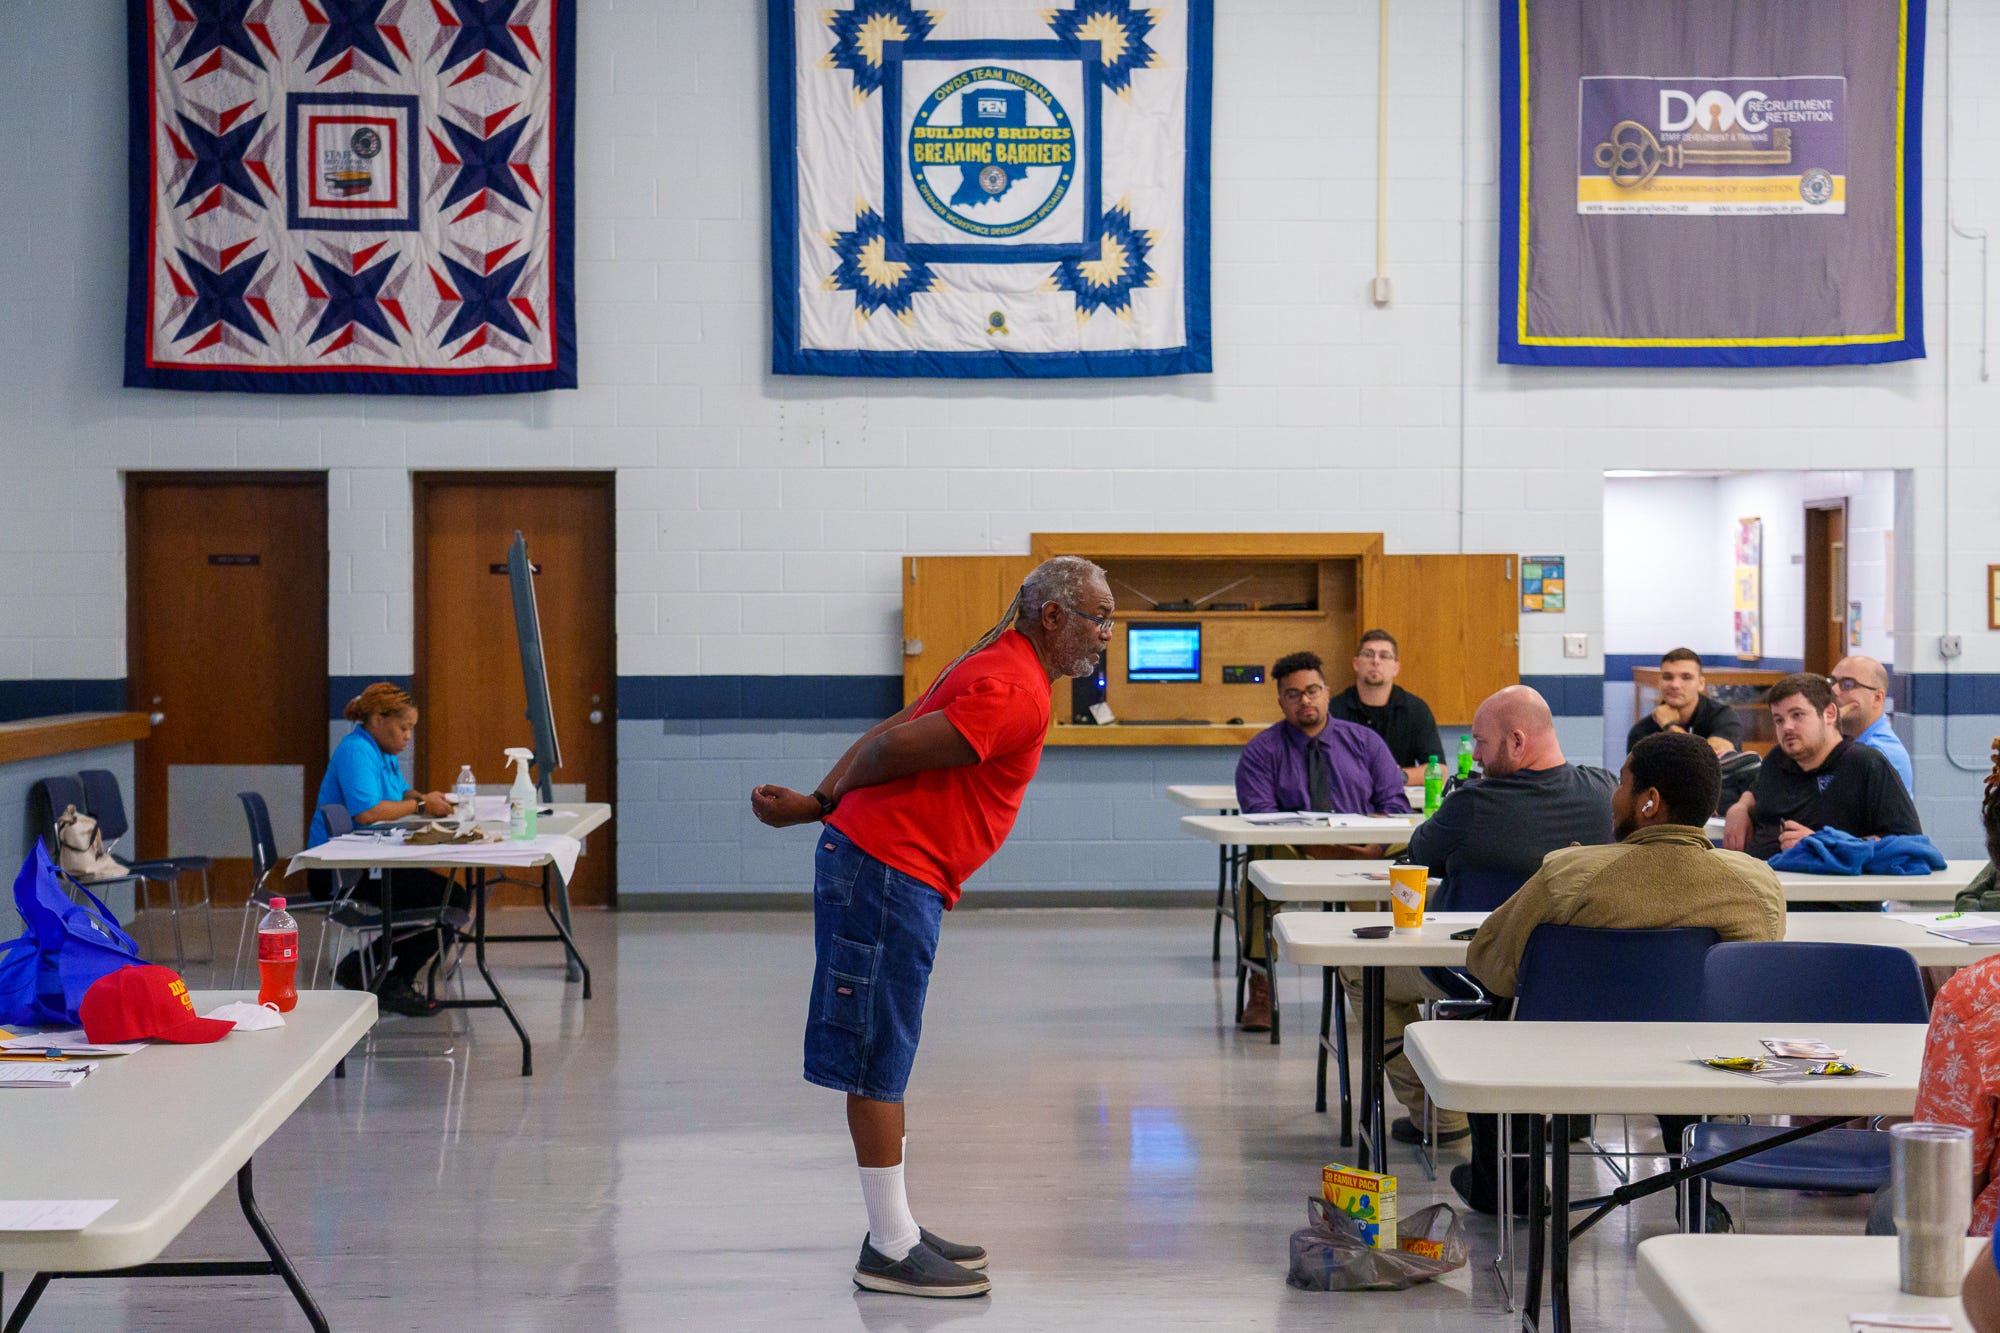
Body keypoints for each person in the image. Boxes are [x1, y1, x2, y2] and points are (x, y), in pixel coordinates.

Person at [749, 555, 1113, 1300]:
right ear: (1053, 617)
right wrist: (820, 806)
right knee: (878, 1054)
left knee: (890, 1047)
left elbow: (897, 724)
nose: (1107, 634)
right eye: (1098, 617)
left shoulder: (1001, 659)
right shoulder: (1016, 689)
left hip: (892, 869)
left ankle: (900, 1227)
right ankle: (888, 1247)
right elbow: (890, 747)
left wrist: (821, 800)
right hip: (886, 872)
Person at [1450, 732, 1786, 1216]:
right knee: (1683, 1027)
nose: (1613, 795)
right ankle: (1693, 1195)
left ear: (1649, 802)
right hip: (1702, 1063)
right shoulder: (1756, 883)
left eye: (1623, 783)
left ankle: (1512, 1187)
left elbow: (1491, 966)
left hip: (1566, 1060)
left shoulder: (1568, 874)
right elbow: (1754, 984)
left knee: (1501, 1018)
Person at [1365, 685, 1615, 1145]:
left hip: (1470, 974)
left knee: (1361, 975)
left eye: (1480, 741)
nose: (1474, 755)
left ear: (1517, 742)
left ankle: (1441, 1117)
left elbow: (1417, 857)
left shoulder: (1472, 805)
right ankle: (1569, 1114)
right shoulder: (1605, 793)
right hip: (1576, 985)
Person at [1233, 650, 1410, 1030]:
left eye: (1312, 690)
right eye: (1293, 694)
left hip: (1367, 851)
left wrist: (1374, 847)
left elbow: (1394, 804)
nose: (1305, 700)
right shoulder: (1261, 751)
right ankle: (1261, 985)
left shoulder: (1365, 742)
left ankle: (1377, 982)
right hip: (1298, 854)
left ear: (1328, 692)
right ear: (1281, 700)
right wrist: (1320, 847)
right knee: (1255, 870)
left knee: (1412, 853)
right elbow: (1261, 816)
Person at [308, 682, 465, 1018]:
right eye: (403, 727)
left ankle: (368, 967)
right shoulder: (357, 750)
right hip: (339, 873)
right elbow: (368, 812)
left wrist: (427, 800)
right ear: (378, 719)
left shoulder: (382, 752)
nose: (408, 737)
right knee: (451, 899)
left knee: (450, 896)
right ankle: (390, 978)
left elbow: (400, 795)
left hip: (369, 863)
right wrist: (421, 804)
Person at [1722, 672, 1921, 862]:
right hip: (1763, 885)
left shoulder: (1866, 764)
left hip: (1828, 892)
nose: (1787, 727)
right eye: (1779, 720)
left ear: (1829, 714)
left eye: (1797, 715)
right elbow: (1756, 791)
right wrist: (1740, 808)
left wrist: (1825, 844)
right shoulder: (1777, 759)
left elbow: (1908, 845)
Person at [1326, 629, 1446, 783]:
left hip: (1400, 801)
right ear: (1356, 664)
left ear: (1396, 668)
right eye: (1368, 654)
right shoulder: (1334, 710)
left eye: (1384, 656)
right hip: (1349, 802)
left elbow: (1440, 771)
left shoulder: (1415, 709)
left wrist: (1396, 776)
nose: (1375, 661)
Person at [1626, 648, 1743, 756]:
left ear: (1701, 684)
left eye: (1686, 677)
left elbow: (1710, 759)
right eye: (1667, 677)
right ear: (1659, 682)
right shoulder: (1642, 731)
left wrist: (1669, 725)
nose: (1675, 685)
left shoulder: (1724, 717)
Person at [1832, 653, 1915, 792]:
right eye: (1832, 681)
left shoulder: (1880, 754)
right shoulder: (1843, 742)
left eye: (1848, 684)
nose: (1834, 690)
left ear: (1877, 698)